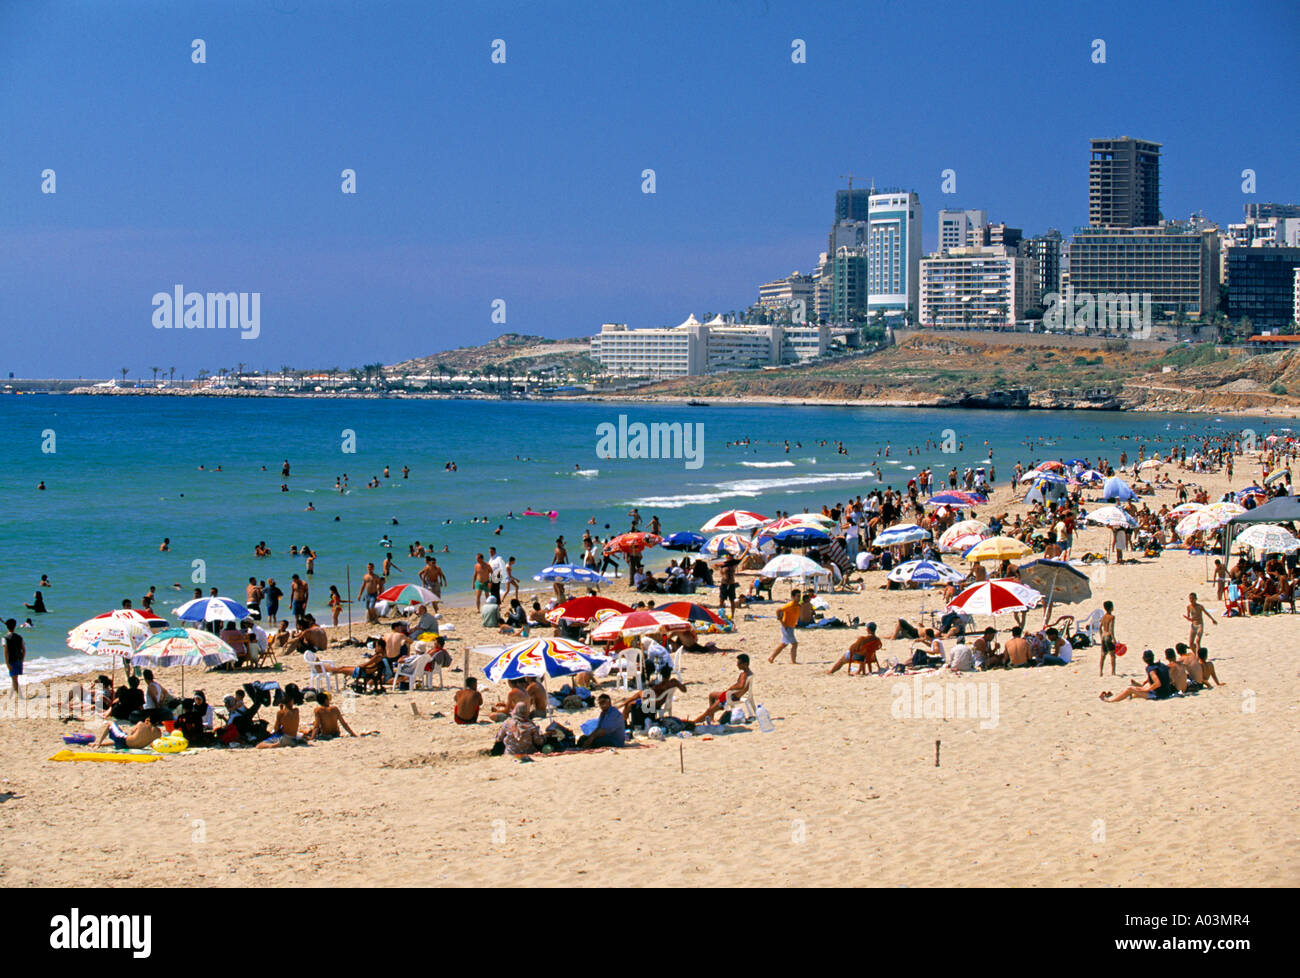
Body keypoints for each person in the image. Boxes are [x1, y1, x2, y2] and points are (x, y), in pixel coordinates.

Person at [694, 654, 753, 724]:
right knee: (712, 695)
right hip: (732, 695)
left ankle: (694, 722)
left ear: (745, 664)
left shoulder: (744, 674)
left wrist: (731, 688)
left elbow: (741, 686)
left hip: (730, 696)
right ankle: (711, 718)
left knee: (709, 711)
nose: (737, 665)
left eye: (739, 663)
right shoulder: (750, 673)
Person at [620, 666, 687, 727]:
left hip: (654, 703)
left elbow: (650, 694)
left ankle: (623, 720)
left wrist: (651, 685)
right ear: (669, 675)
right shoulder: (673, 682)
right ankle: (625, 703)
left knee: (630, 704)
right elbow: (684, 690)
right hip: (658, 701)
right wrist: (679, 684)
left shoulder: (661, 685)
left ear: (661, 675)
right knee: (639, 694)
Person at [1100, 649, 1172, 702]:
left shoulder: (1150, 669)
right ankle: (1132, 693)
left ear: (1144, 659)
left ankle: (1110, 700)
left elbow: (1157, 683)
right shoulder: (1160, 665)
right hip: (1167, 692)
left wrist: (1146, 689)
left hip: (1159, 696)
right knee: (1144, 685)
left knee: (1130, 689)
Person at [257, 683, 306, 748]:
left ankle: (272, 745)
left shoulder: (280, 713)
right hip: (293, 738)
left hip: (285, 738)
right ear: (292, 701)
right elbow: (288, 717)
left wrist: (281, 710)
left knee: (259, 745)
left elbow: (276, 728)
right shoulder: (296, 711)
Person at [769, 589, 801, 664]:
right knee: (794, 644)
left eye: (800, 596)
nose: (799, 598)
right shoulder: (790, 605)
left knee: (784, 644)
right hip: (787, 627)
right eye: (797, 596)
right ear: (793, 597)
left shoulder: (798, 605)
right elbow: (778, 610)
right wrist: (780, 620)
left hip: (791, 627)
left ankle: (771, 658)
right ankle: (793, 661)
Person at [94, 715, 162, 750]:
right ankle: (100, 744)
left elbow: (132, 732)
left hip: (123, 742)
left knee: (110, 723)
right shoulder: (159, 733)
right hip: (134, 746)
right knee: (122, 734)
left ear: (147, 720)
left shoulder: (141, 724)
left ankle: (98, 744)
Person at [4, 619, 25, 693]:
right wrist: (22, 660)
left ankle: (18, 694)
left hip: (11, 660)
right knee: (15, 678)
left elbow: (6, 652)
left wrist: (7, 663)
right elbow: (23, 649)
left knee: (14, 679)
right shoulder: (19, 637)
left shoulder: (5, 638)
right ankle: (17, 693)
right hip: (19, 659)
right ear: (15, 626)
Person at [1099, 600, 1117, 677]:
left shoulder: (1103, 617)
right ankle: (1113, 672)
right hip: (1108, 637)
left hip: (1103, 636)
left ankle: (1101, 672)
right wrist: (1113, 638)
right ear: (1111, 608)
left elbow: (1100, 627)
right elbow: (1111, 628)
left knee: (1103, 656)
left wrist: (1101, 636)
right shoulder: (1112, 617)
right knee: (1112, 655)